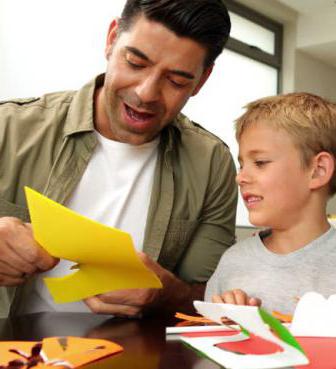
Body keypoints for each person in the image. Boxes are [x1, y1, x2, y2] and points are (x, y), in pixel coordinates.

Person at [0, 0, 237, 318]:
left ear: (202, 80)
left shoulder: (211, 164)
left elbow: (211, 300)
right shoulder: (9, 127)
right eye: (136, 63)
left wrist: (162, 293)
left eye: (176, 81)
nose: (146, 93)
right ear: (112, 39)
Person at [205, 93, 336, 321]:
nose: (240, 177)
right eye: (241, 165)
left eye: (260, 163)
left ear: (318, 170)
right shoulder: (232, 263)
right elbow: (208, 348)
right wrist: (225, 325)